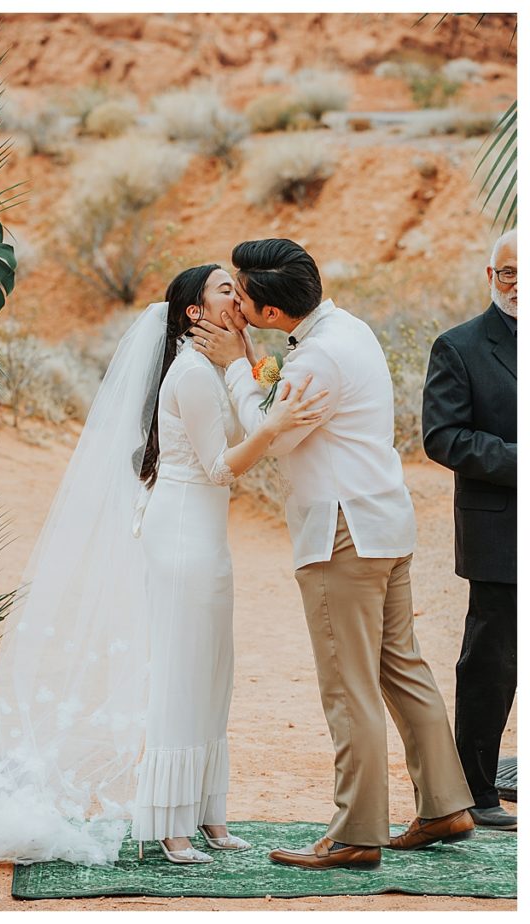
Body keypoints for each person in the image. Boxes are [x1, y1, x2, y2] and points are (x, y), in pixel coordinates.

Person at [0, 266, 324, 870]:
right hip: (181, 534)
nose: (240, 296)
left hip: (203, 535)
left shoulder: (220, 366)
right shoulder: (193, 374)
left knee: (212, 671)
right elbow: (222, 466)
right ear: (194, 313)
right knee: (181, 674)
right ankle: (170, 827)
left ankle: (209, 814)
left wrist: (253, 368)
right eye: (225, 289)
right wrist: (275, 425)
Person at [195, 238, 475, 870]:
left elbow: (270, 437)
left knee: (349, 688)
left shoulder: (312, 362)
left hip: (340, 534)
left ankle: (355, 835)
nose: (233, 301)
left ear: (270, 314)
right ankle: (444, 806)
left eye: (240, 294)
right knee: (402, 668)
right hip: (385, 522)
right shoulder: (350, 328)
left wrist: (238, 365)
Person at [422, 229, 518, 832]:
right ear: (490, 277)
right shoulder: (458, 347)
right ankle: (478, 790)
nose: (518, 284)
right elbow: (443, 437)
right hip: (503, 532)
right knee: (491, 662)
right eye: (508, 273)